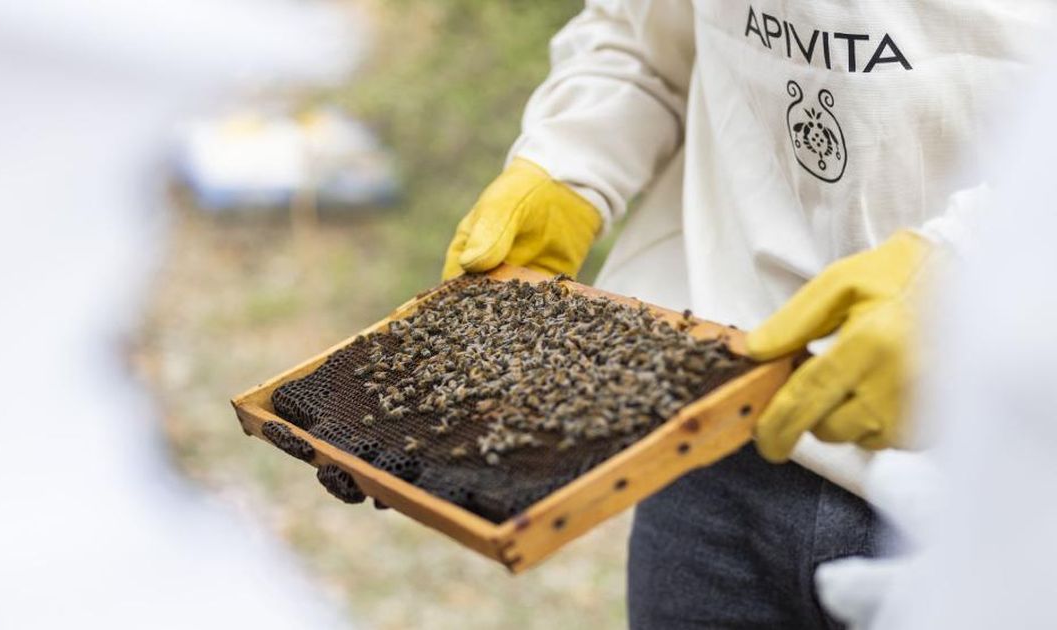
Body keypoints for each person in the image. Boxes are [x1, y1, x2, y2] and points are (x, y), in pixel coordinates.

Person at [442, 2, 1053, 627]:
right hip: (711, 425)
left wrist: (971, 264)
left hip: (985, 482)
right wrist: (568, 162)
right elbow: (645, 39)